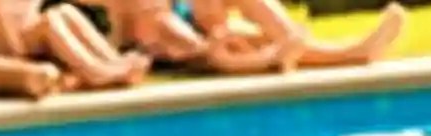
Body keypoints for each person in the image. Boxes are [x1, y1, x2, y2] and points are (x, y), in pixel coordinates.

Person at [0, 0, 151, 89]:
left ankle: (111, 61)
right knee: (50, 20)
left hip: (27, 38)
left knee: (64, 10)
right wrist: (19, 57)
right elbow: (1, 23)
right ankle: (96, 72)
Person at [94, 0, 306, 73]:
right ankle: (268, 57)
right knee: (150, 9)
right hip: (156, 42)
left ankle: (287, 40)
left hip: (196, 28)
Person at [188, 0, 407, 68]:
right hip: (191, 37)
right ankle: (355, 53)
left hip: (197, 26)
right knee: (243, 36)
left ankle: (289, 41)